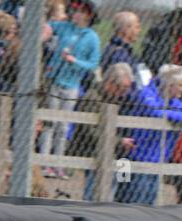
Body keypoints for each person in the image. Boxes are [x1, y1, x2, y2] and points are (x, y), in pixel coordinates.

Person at [123, 63, 182, 204]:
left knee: (150, 203)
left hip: (158, 160)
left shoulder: (173, 101)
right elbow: (156, 112)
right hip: (136, 158)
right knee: (133, 201)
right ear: (170, 84)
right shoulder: (146, 93)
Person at [40, 0, 100, 178]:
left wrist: (75, 62)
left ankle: (58, 165)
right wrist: (47, 28)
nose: (75, 14)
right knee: (49, 124)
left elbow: (93, 63)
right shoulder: (64, 27)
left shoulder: (92, 37)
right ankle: (45, 163)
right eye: (74, 10)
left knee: (63, 127)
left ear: (88, 15)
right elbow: (49, 26)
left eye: (80, 11)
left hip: (72, 86)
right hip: (54, 81)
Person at [69, 60, 136, 200]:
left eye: (126, 89)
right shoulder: (93, 98)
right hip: (94, 154)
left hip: (117, 156)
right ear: (109, 83)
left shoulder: (117, 99)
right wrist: (119, 141)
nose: (124, 94)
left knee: (117, 189)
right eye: (122, 89)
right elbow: (91, 132)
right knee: (94, 194)